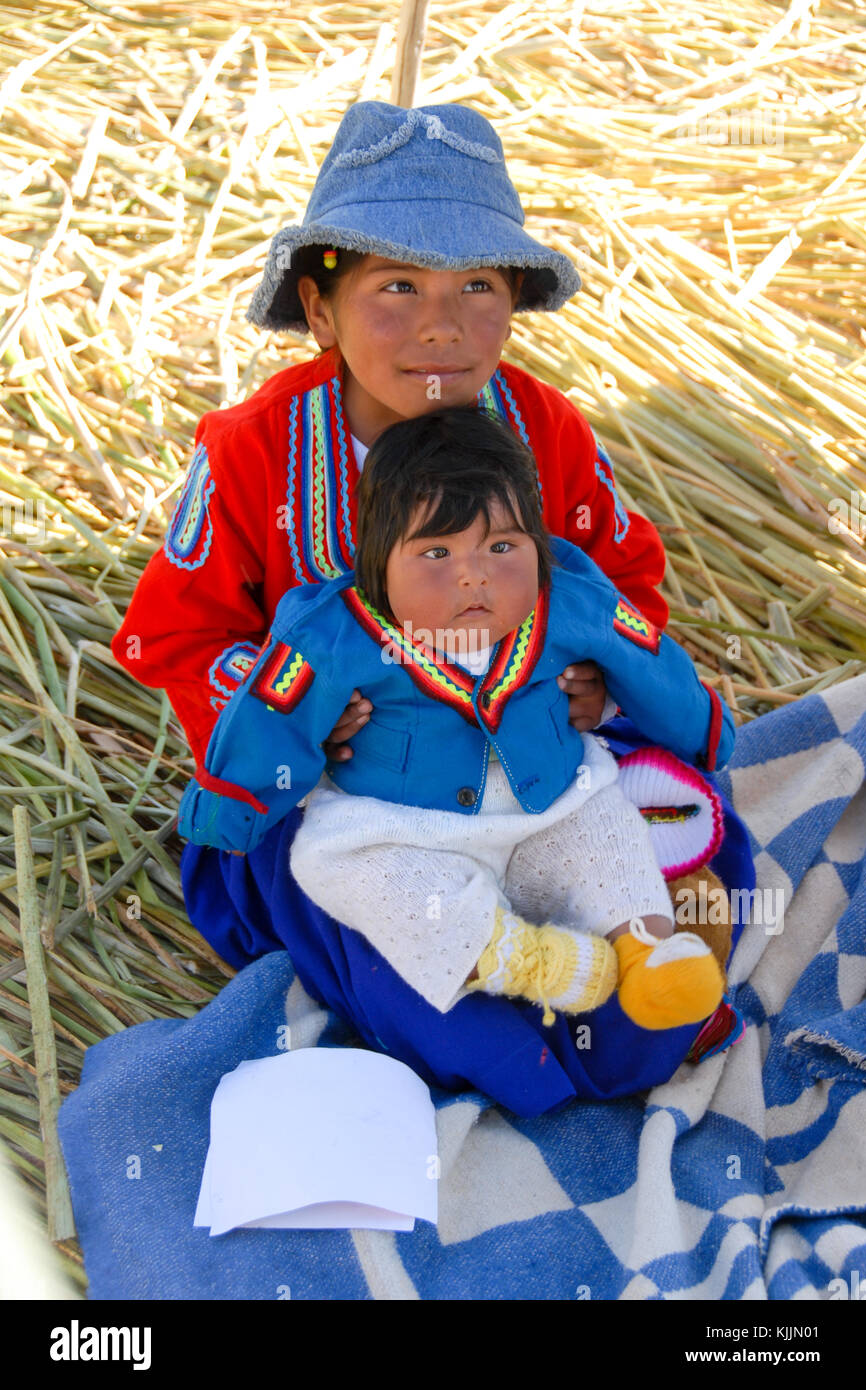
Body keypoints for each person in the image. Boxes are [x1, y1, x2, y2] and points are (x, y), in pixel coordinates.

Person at [112, 100, 754, 1115]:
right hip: (354, 802)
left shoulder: (542, 428)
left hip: (538, 765)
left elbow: (625, 578)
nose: (441, 326)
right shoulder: (252, 453)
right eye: (396, 287)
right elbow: (179, 634)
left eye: (478, 287)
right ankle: (537, 998)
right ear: (318, 309)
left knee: (685, 834)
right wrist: (304, 722)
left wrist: (592, 682)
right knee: (412, 976)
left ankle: (648, 958)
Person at [178, 405, 732, 1044]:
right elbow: (269, 718)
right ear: (379, 560)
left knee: (607, 831)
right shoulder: (333, 635)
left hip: (551, 808)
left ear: (540, 546)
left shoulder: (570, 599)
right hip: (404, 828)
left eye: (502, 546)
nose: (474, 574)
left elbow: (649, 663)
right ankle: (523, 958)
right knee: (350, 870)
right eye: (436, 552)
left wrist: (704, 732)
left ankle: (646, 946)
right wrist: (229, 810)